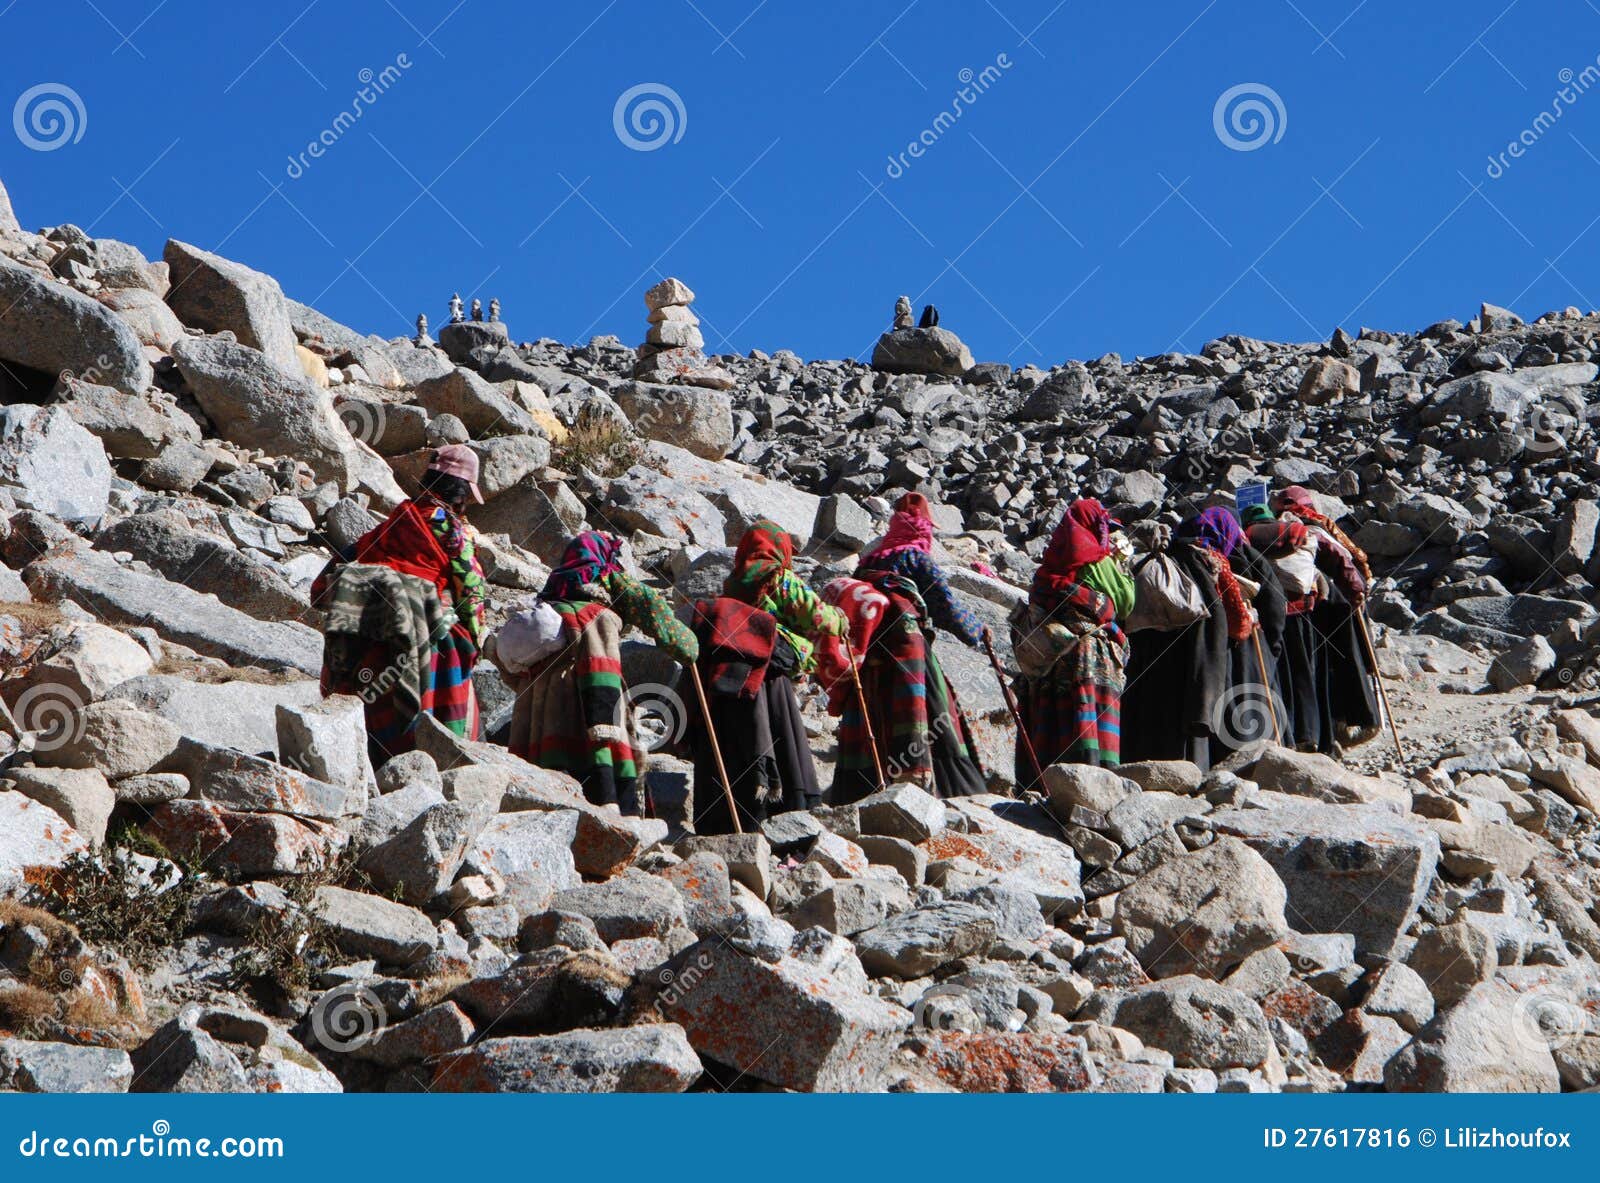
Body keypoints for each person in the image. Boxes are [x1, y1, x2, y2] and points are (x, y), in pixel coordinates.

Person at [497, 530, 697, 815]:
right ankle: (610, 810)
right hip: (595, 686)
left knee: (553, 759)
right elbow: (654, 612)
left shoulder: (553, 589)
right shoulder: (608, 578)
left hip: (545, 697)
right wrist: (690, 648)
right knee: (600, 748)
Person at [316, 445, 488, 766]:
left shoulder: (397, 519)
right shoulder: (452, 528)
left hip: (367, 629)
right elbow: (471, 589)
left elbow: (346, 560)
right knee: (446, 698)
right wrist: (473, 642)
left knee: (372, 704)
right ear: (461, 493)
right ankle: (436, 764)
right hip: (421, 631)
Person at [689, 521, 848, 834]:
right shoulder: (777, 576)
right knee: (779, 734)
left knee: (734, 740)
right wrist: (840, 619)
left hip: (730, 673)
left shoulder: (733, 581)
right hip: (767, 671)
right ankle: (787, 811)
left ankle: (726, 818)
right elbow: (815, 615)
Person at [831, 492, 989, 802]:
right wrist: (977, 631)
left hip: (872, 647)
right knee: (933, 710)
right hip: (908, 645)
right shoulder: (916, 558)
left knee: (874, 710)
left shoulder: (869, 560)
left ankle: (863, 785)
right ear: (922, 529)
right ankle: (942, 785)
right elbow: (944, 604)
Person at [1012, 499, 1133, 783]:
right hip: (1091, 652)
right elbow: (1126, 604)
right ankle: (1095, 780)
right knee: (1089, 711)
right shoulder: (1100, 560)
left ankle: (1043, 783)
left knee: (1052, 713)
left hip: (1051, 650)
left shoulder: (1052, 558)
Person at [1272, 486, 1381, 745]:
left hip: (1318, 609)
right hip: (1338, 605)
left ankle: (1337, 724)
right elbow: (1352, 561)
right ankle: (1356, 721)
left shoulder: (1287, 532)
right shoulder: (1319, 528)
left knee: (1323, 667)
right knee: (1346, 661)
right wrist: (1358, 594)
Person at [1243, 504, 1327, 751]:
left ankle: (1287, 733)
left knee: (1279, 675)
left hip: (1272, 617)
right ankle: (1311, 734)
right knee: (1304, 672)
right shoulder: (1297, 534)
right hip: (1303, 614)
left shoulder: (1249, 538)